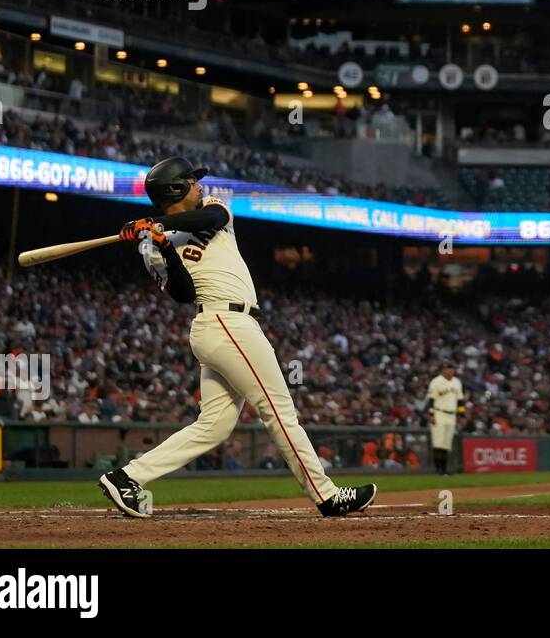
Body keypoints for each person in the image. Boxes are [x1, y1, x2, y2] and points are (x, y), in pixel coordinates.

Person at [97, 157, 375, 518]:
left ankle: (126, 478)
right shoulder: (150, 248)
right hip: (222, 321)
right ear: (175, 189)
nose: (200, 186)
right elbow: (182, 293)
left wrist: (157, 224)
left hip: (228, 326)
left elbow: (210, 220)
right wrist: (164, 245)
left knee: (214, 425)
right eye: (191, 181)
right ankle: (327, 495)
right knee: (279, 412)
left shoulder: (213, 209)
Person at [425, 361, 464, 476]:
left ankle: (444, 470)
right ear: (443, 370)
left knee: (446, 444)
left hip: (452, 415)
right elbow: (431, 400)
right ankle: (438, 471)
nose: (451, 371)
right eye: (448, 368)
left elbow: (460, 401)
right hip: (439, 413)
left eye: (452, 368)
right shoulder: (436, 382)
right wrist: (431, 415)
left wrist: (461, 415)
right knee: (438, 443)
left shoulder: (457, 382)